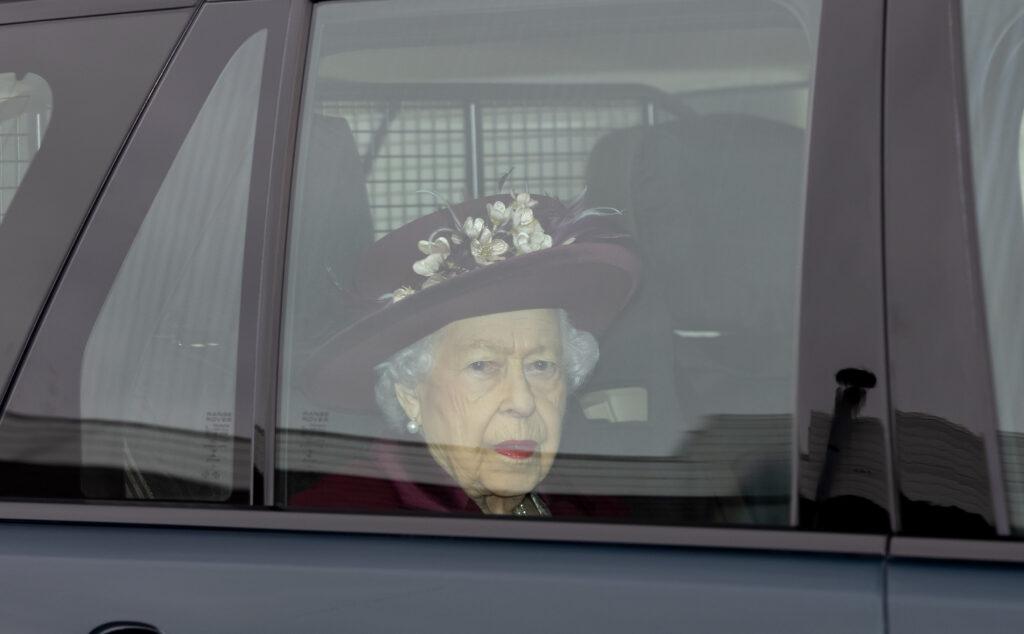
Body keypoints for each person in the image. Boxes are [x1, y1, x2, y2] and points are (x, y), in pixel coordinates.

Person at [293, 192, 640, 516]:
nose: (522, 402)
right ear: (410, 392)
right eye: (483, 366)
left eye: (541, 365)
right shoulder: (344, 524)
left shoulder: (596, 514)